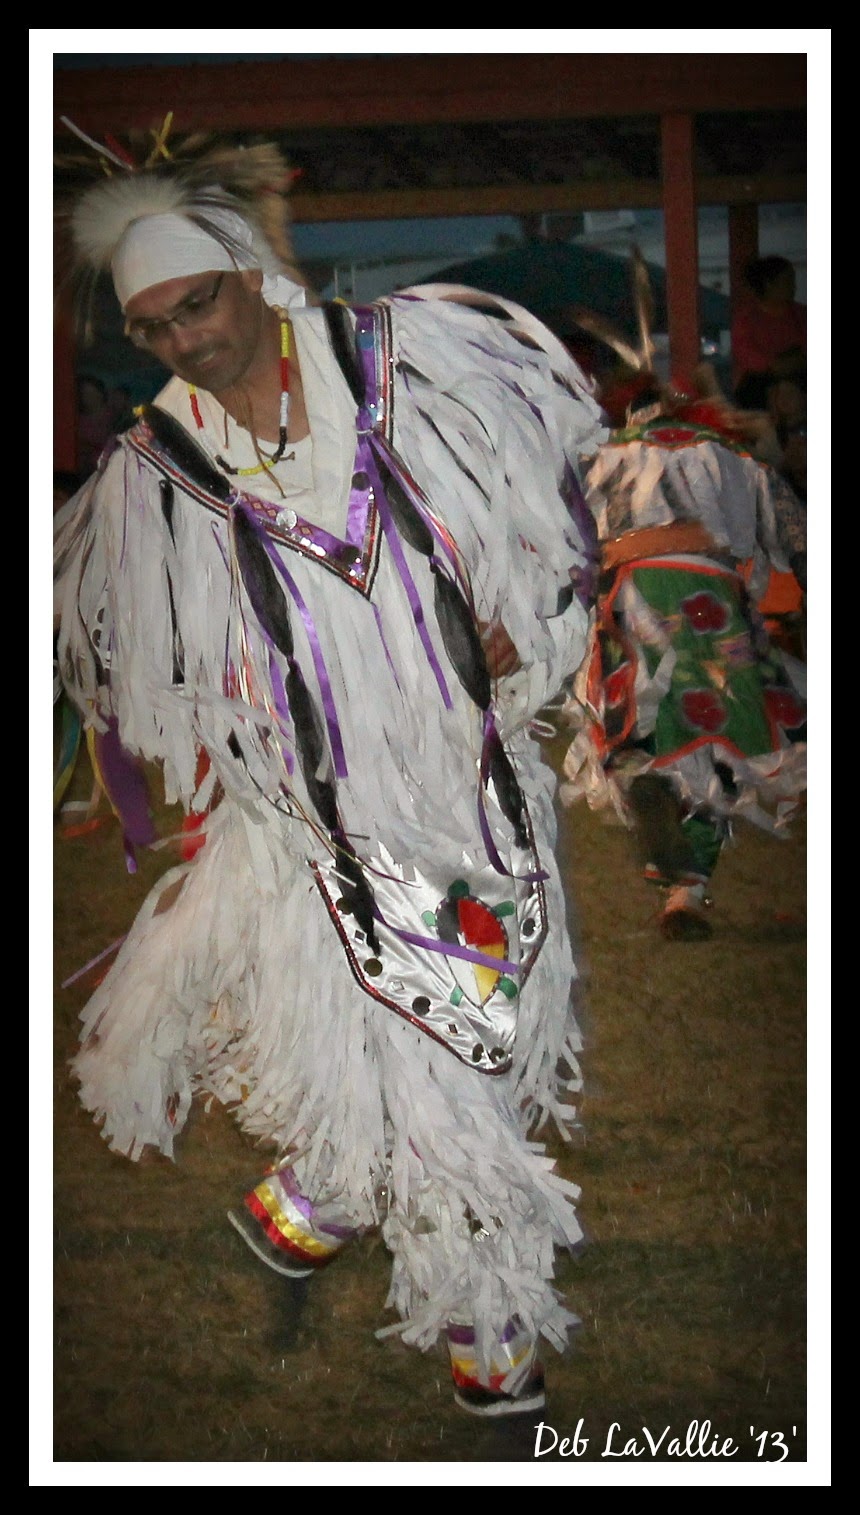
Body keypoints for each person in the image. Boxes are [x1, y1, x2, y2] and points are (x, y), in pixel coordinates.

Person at [53, 129, 609, 1417]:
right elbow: (155, 676)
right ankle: (488, 1320)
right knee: (441, 1076)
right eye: (153, 327)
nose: (186, 340)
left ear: (246, 271)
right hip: (318, 833)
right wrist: (234, 707)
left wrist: (516, 630)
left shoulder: (410, 374)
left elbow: (542, 531)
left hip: (476, 794)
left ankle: (316, 1195)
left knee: (471, 1035)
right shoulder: (155, 479)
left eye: (197, 303)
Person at [560, 367, 807, 941]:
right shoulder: (725, 451)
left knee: (641, 725)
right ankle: (685, 896)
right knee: (716, 741)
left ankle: (651, 784)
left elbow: (565, 537)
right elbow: (796, 535)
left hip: (634, 593)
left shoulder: (598, 454)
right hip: (709, 594)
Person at [731, 254, 806, 407]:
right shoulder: (746, 319)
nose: (793, 287)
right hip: (759, 389)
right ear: (768, 284)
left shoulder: (802, 315)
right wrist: (775, 366)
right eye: (787, 281)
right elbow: (749, 357)